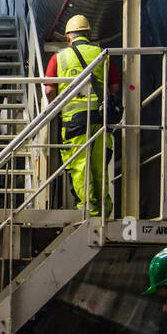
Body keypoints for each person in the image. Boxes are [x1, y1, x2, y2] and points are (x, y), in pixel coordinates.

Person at [43, 14, 120, 216]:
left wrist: (58, 107)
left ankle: (87, 210)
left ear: (69, 37)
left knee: (79, 165)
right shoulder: (103, 54)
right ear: (87, 34)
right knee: (99, 165)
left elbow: (49, 91)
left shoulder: (59, 58)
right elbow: (114, 86)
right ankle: (104, 208)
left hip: (74, 122)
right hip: (101, 118)